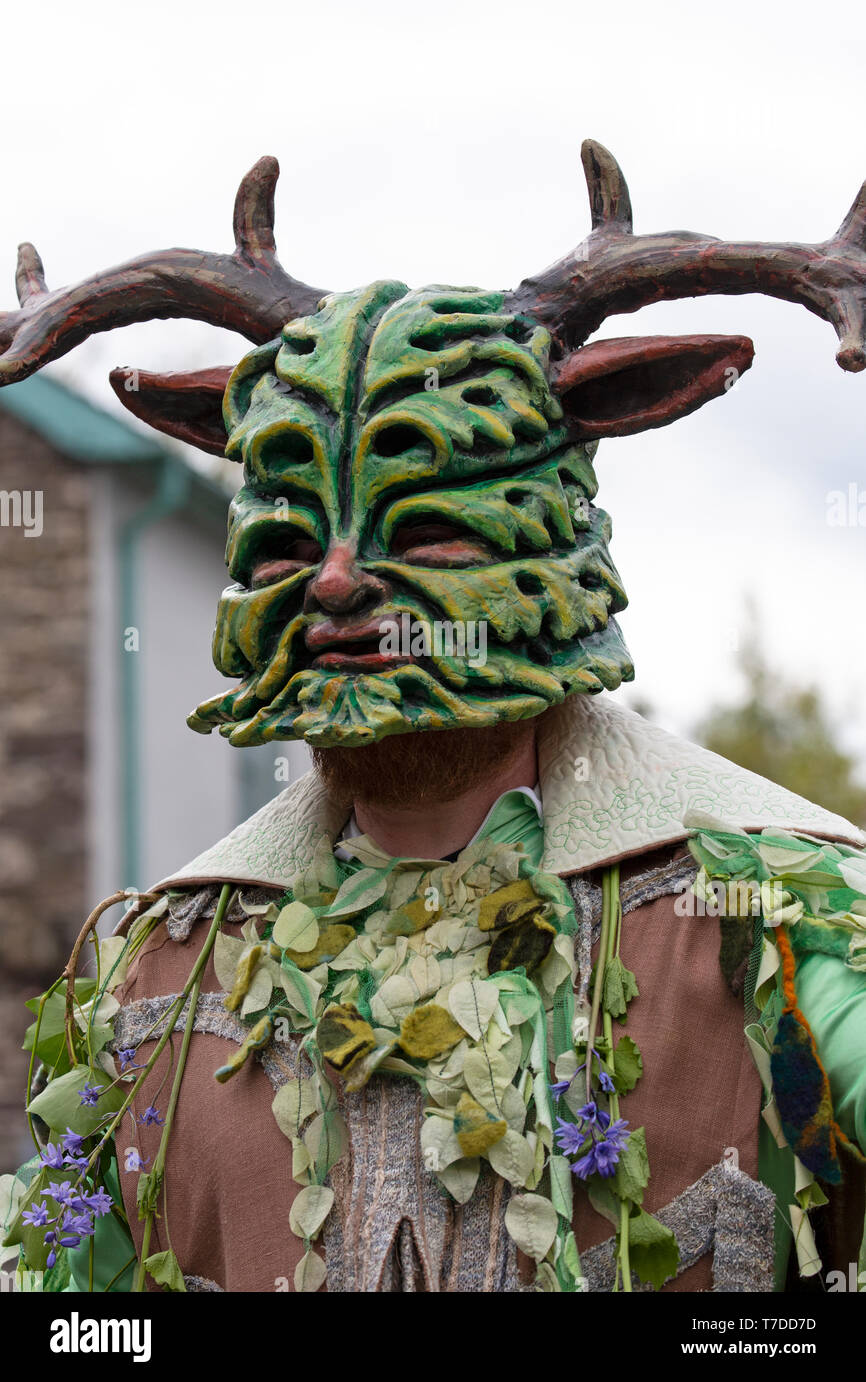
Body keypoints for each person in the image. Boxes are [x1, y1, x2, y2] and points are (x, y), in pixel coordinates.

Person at [3, 142, 866, 1294]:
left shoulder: (785, 919)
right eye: (295, 541)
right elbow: (68, 1291)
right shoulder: (152, 967)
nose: (339, 585)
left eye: (424, 535)